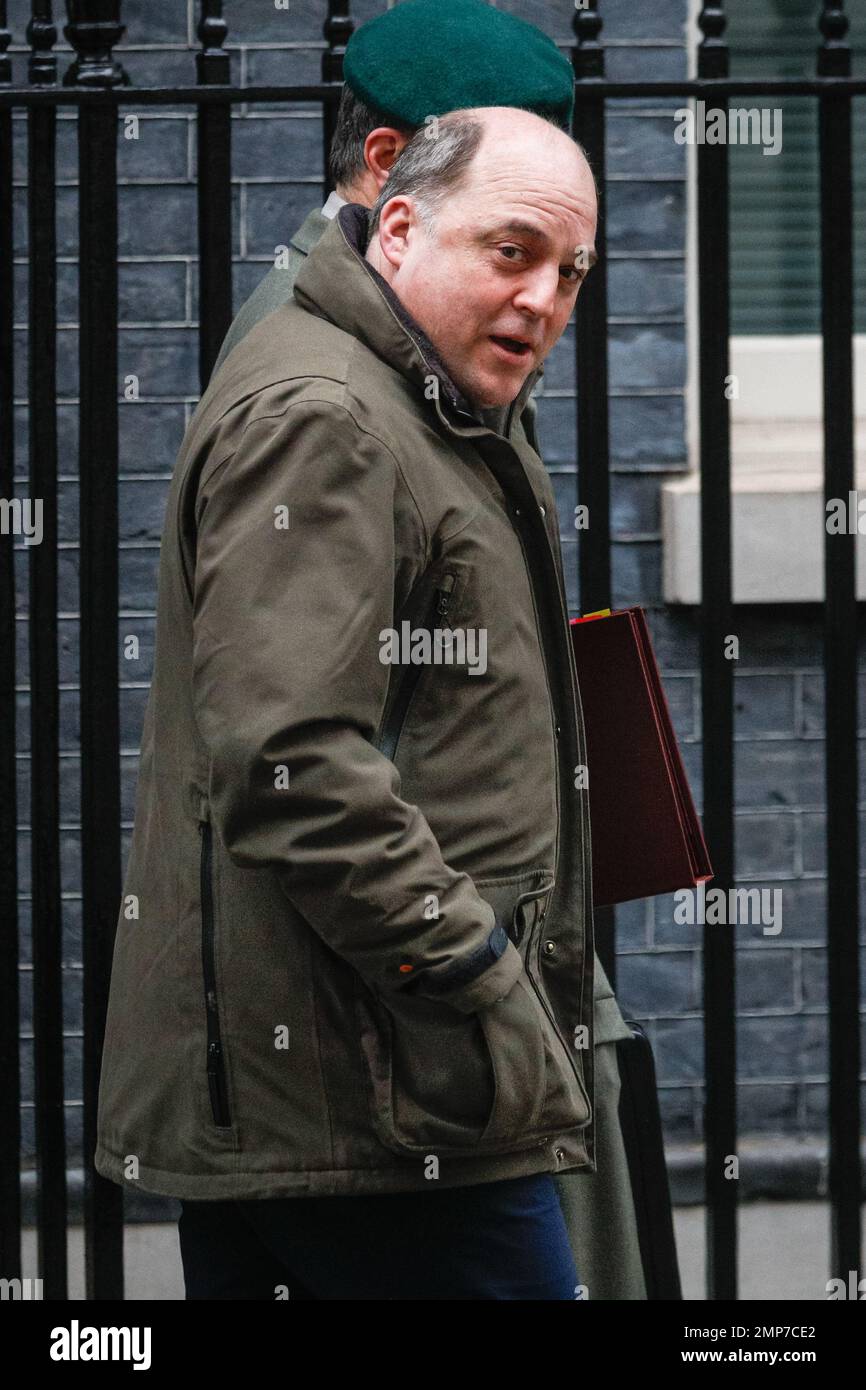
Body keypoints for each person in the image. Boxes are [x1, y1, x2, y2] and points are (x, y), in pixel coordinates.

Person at [214, 0, 645, 1301]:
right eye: (510, 240)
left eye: (565, 265)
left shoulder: (420, 362)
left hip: (428, 1058)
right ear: (394, 184)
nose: (544, 292)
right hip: (404, 1081)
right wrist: (476, 979)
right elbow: (289, 758)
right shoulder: (331, 403)